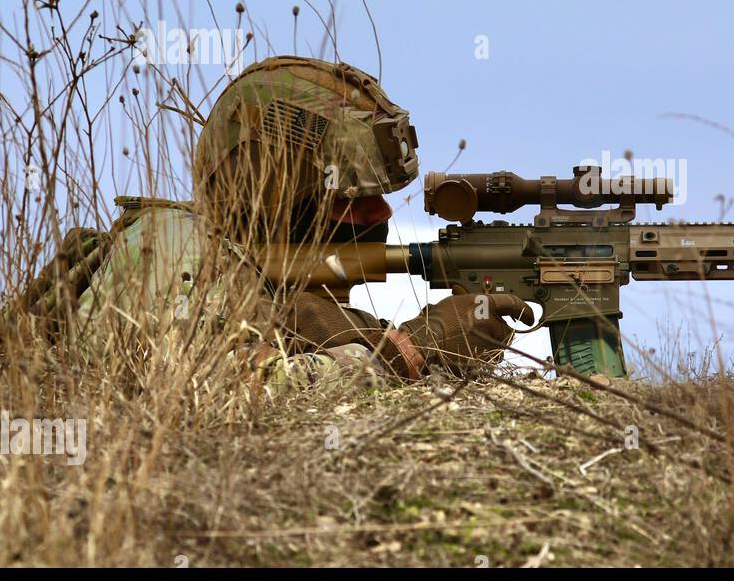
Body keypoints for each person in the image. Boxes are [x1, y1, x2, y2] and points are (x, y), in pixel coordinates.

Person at [73, 55, 531, 394]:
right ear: (269, 198)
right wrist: (407, 353)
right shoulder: (173, 243)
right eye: (348, 199)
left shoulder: (266, 290)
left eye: (378, 197)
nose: (381, 215)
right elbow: (208, 393)